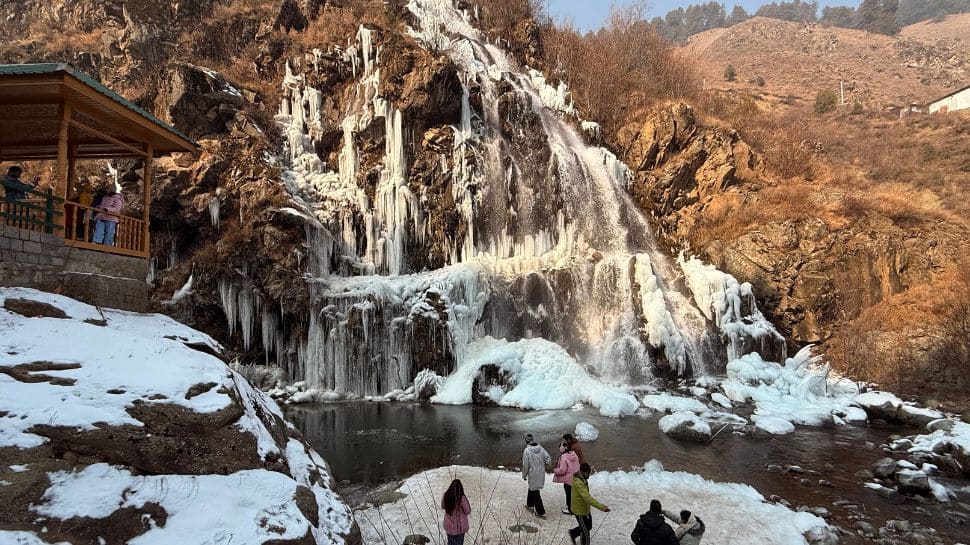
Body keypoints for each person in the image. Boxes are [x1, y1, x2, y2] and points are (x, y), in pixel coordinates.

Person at [569, 463, 609, 545]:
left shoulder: (583, 479)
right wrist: (601, 507)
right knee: (586, 533)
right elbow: (587, 497)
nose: (589, 475)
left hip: (585, 508)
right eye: (588, 473)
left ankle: (573, 533)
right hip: (580, 511)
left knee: (588, 526)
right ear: (583, 472)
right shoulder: (578, 483)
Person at [522, 433, 551, 518]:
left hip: (532, 473)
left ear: (526, 440)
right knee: (533, 487)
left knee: (535, 492)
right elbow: (548, 458)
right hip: (541, 473)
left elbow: (525, 466)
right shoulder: (541, 448)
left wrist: (524, 475)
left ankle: (540, 512)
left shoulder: (526, 451)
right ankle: (529, 504)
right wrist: (546, 466)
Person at [554, 438, 580, 514]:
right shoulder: (574, 454)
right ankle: (575, 507)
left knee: (569, 495)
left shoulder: (563, 458)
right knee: (573, 494)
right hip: (575, 478)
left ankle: (570, 509)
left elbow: (562, 470)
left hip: (568, 480)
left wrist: (555, 470)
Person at [441, 479, 471, 545]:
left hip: (449, 526)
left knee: (450, 543)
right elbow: (468, 511)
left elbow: (443, 506)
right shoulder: (461, 498)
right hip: (459, 527)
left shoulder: (446, 495)